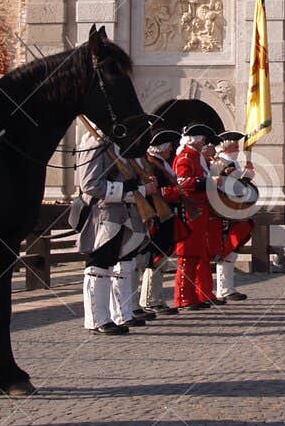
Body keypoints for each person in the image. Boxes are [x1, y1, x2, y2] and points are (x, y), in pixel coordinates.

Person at [73, 123, 150, 335]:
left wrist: (133, 189)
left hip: (120, 213)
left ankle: (116, 315)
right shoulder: (95, 143)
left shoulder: (117, 146)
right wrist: (126, 190)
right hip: (102, 214)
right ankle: (97, 320)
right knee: (99, 265)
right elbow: (90, 185)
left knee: (112, 265)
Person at [169, 125, 218, 312]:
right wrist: (207, 182)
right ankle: (183, 298)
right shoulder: (185, 157)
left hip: (199, 211)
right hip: (191, 211)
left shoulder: (196, 157)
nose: (204, 142)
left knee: (197, 253)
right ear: (195, 139)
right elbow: (182, 182)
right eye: (202, 138)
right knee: (187, 255)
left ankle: (196, 294)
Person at [207, 131, 256, 303]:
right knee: (226, 250)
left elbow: (240, 184)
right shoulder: (219, 163)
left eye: (237, 146)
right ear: (225, 147)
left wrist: (247, 173)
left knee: (231, 250)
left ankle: (227, 288)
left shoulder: (231, 162)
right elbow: (224, 187)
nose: (237, 149)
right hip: (224, 211)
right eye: (234, 146)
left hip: (234, 209)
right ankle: (224, 289)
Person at [139, 132, 178, 314]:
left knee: (161, 260)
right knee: (154, 260)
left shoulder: (160, 163)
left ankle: (157, 298)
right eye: (168, 145)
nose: (171, 148)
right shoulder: (151, 164)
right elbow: (155, 192)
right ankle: (150, 300)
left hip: (165, 215)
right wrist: (174, 192)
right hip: (157, 216)